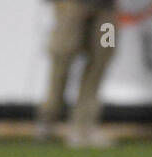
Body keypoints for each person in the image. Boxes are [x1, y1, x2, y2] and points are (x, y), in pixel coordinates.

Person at [35, 0, 118, 148]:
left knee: (102, 55)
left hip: (106, 9)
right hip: (71, 5)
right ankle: (49, 115)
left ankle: (84, 125)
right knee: (63, 55)